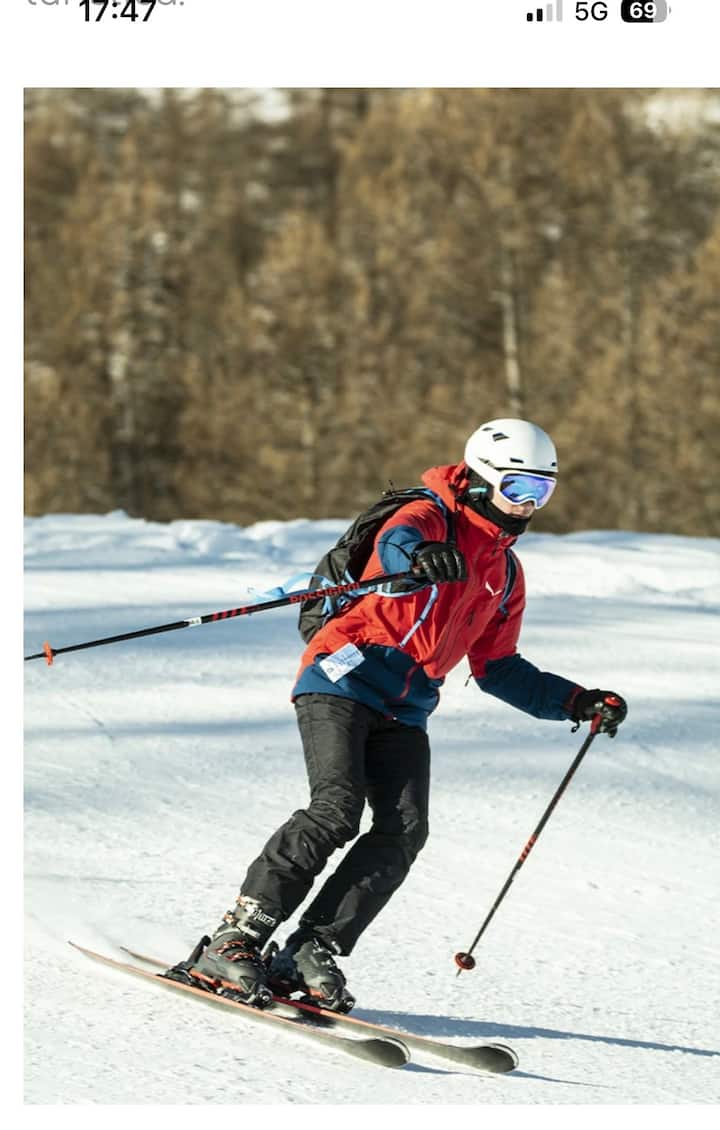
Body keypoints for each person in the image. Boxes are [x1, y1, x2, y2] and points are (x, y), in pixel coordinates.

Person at [187, 418, 627, 1010]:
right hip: (342, 678)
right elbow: (396, 545)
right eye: (518, 489)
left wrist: (576, 701)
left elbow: (498, 669)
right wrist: (422, 557)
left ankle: (310, 950)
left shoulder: (504, 572)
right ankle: (237, 937)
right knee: (335, 809)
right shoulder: (426, 515)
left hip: (406, 706)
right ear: (479, 479)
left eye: (541, 494)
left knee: (403, 831)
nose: (527, 507)